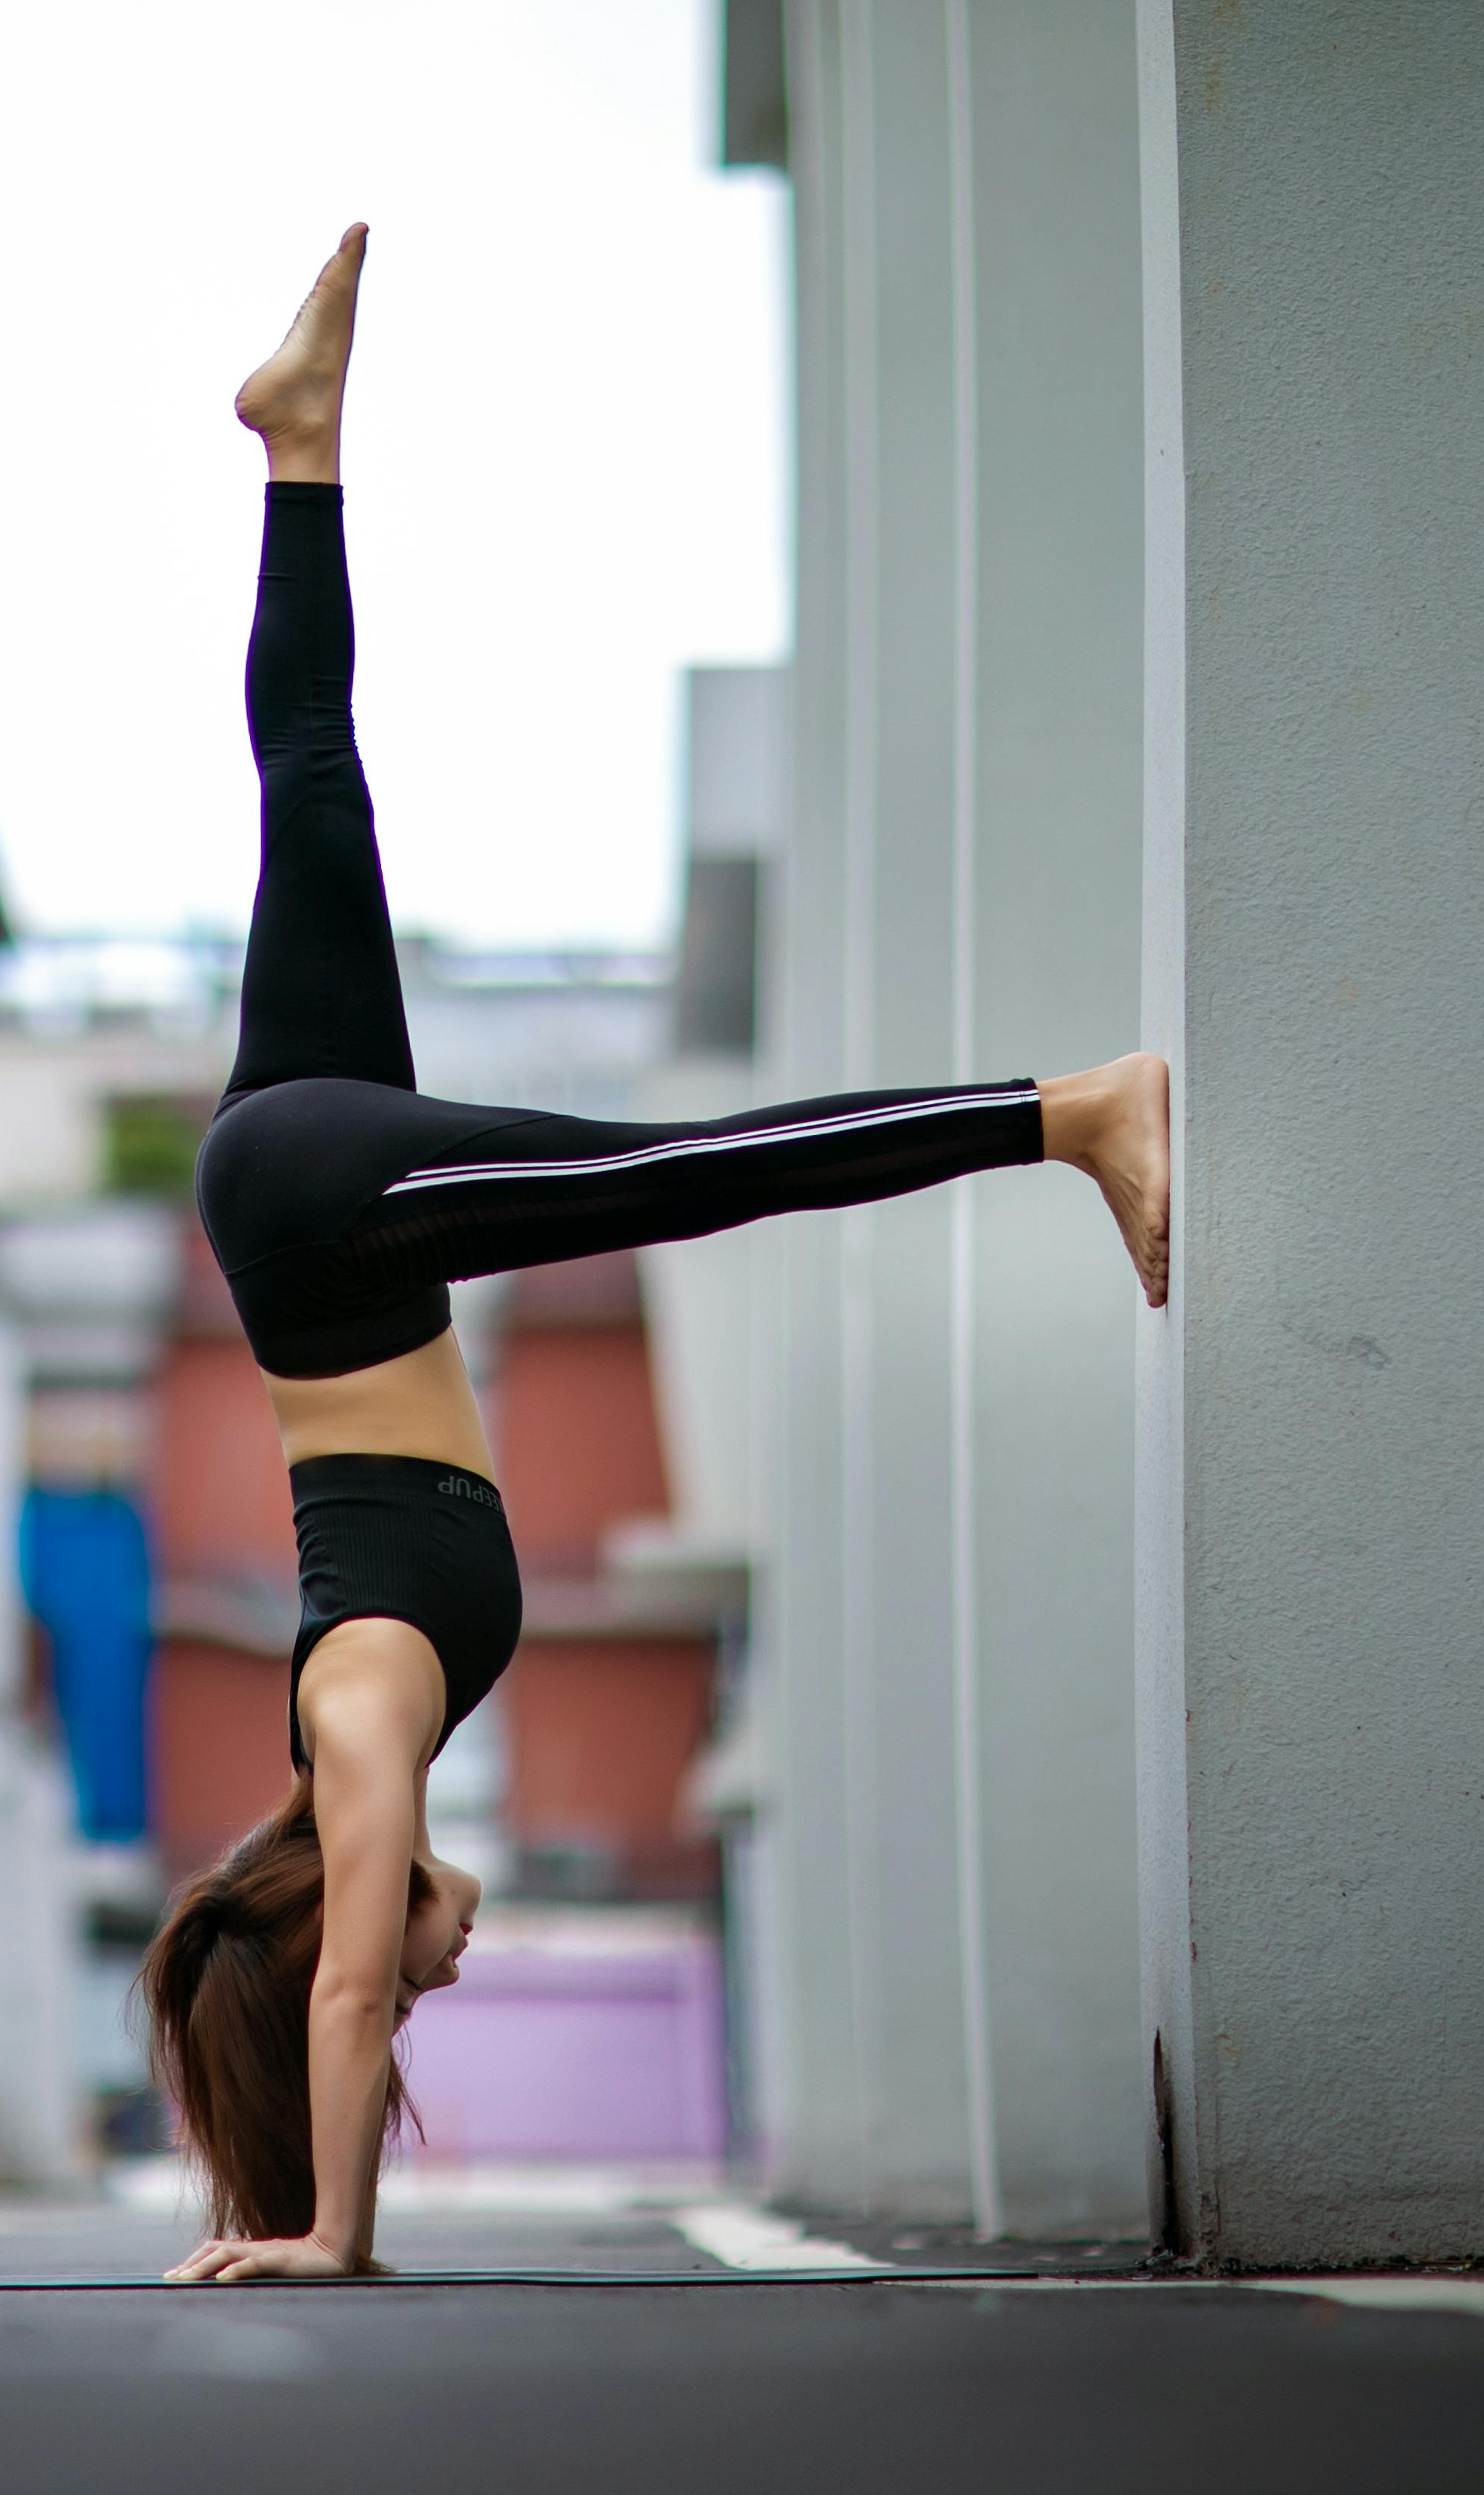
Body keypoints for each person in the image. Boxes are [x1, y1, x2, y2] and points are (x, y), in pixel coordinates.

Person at [147, 226, 1170, 2284]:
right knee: (314, 780)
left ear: (342, 1907)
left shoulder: (362, 1721)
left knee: (690, 1176)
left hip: (330, 1226)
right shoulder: (371, 1721)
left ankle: (1071, 1112)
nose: (439, 1967)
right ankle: (300, 443)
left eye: (415, 1968)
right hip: (319, 1211)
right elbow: (339, 1982)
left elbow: (338, 1991)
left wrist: (331, 2235)